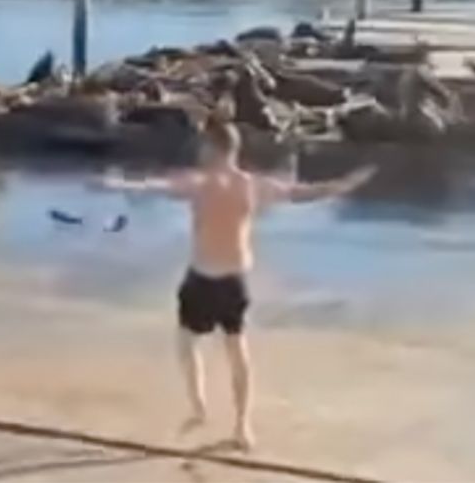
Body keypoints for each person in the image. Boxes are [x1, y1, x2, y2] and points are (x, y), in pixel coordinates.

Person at [100, 116, 375, 451]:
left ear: (214, 149)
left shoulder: (198, 182)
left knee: (187, 344)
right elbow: (303, 193)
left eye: (204, 146)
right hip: (234, 280)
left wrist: (117, 184)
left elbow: (153, 186)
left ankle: (199, 406)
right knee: (237, 351)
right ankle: (243, 426)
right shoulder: (252, 185)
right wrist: (344, 185)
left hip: (202, 278)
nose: (200, 151)